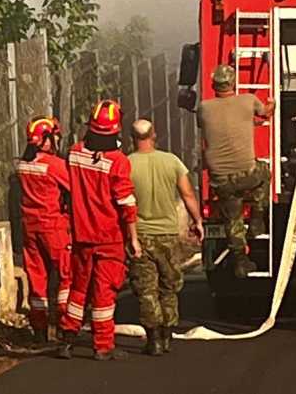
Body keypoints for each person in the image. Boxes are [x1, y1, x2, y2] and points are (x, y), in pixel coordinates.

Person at [58, 99, 142, 361]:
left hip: (81, 234)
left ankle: (67, 338)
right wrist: (134, 239)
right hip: (109, 237)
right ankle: (103, 345)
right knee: (104, 291)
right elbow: (126, 204)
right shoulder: (118, 161)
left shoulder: (74, 153)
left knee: (79, 288)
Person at [127, 119, 203, 356]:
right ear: (154, 135)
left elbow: (122, 200)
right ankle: (168, 335)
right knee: (168, 287)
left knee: (146, 289)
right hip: (168, 235)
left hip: (140, 235)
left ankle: (153, 339)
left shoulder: (126, 164)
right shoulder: (172, 161)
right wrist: (197, 221)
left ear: (132, 138)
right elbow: (188, 194)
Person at [197, 65, 274, 277]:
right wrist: (271, 104)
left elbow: (202, 126)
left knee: (232, 219)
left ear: (214, 85)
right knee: (265, 172)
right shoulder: (248, 100)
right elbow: (265, 113)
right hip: (247, 174)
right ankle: (258, 217)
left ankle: (240, 261)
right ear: (233, 83)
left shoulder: (204, 108)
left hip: (220, 180)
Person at [16, 115, 72, 343]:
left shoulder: (22, 165)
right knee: (66, 275)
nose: (57, 140)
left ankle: (39, 327)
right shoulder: (54, 165)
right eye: (55, 136)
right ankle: (63, 323)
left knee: (36, 276)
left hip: (29, 226)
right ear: (46, 139)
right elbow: (74, 187)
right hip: (54, 225)